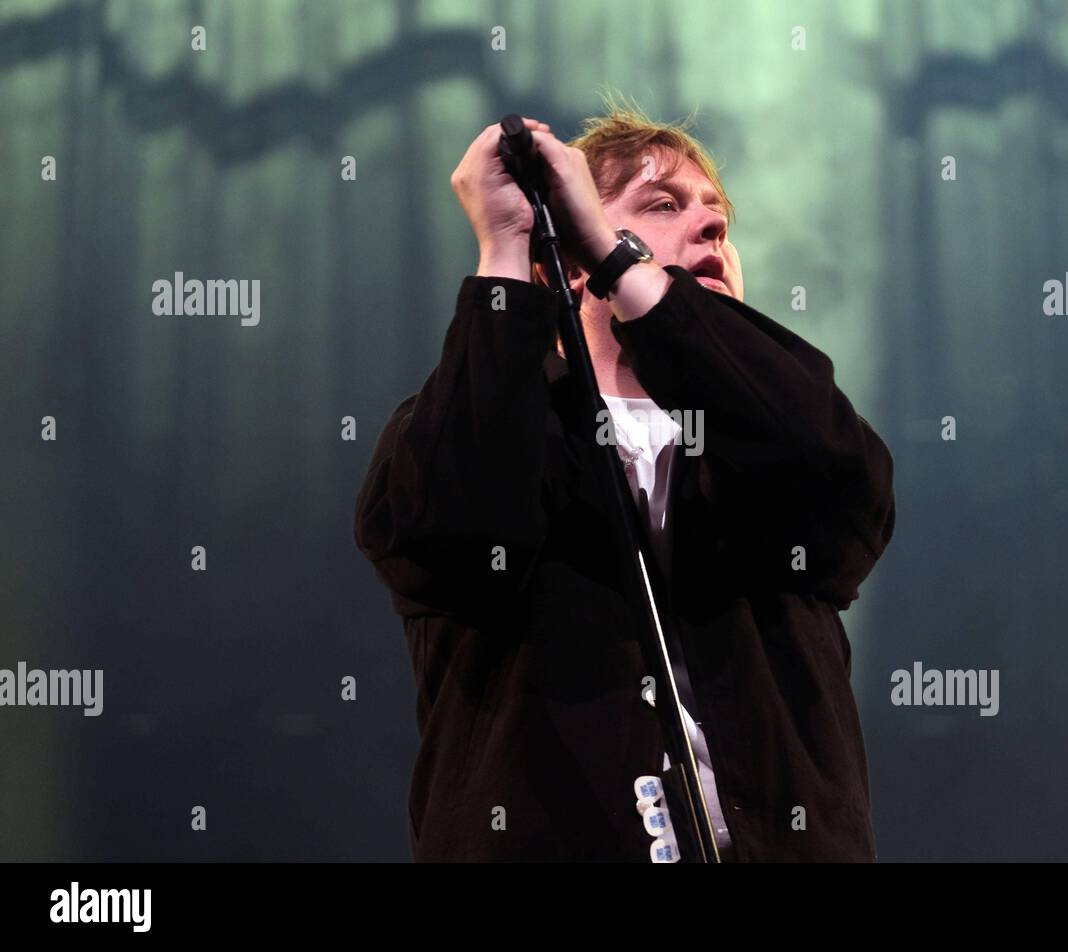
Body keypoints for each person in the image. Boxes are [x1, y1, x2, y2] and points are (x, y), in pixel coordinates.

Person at [353, 98, 896, 862]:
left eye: (719, 215)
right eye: (665, 204)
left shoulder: (771, 436)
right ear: (570, 257)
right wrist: (510, 249)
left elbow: (844, 489)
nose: (712, 228)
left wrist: (626, 268)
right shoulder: (478, 426)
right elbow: (447, 541)